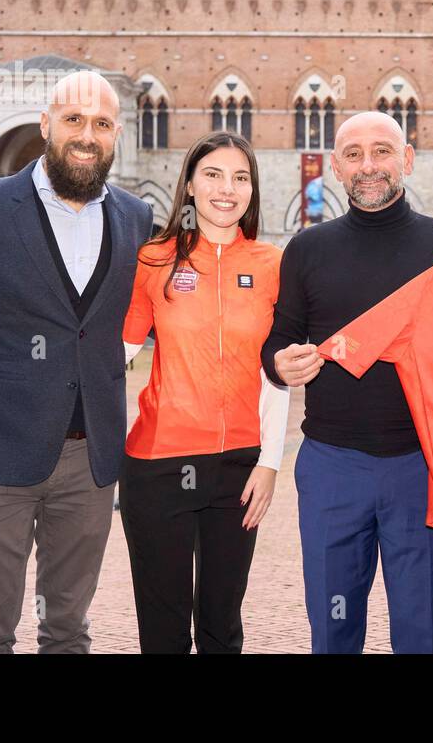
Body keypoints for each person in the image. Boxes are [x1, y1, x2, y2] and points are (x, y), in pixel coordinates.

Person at [0, 70, 153, 653]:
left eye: (101, 123)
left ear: (115, 134)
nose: (86, 135)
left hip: (89, 458)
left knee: (69, 631)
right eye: (73, 120)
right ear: (47, 125)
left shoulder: (135, 219)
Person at [263, 111, 433, 653]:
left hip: (421, 464)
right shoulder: (307, 250)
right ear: (335, 167)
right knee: (332, 629)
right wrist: (280, 364)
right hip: (334, 466)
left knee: (419, 629)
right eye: (353, 154)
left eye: (382, 151)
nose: (368, 165)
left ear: (406, 158)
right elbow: (278, 339)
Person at [120, 132, 287, 653]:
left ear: (252, 191)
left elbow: (276, 373)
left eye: (241, 178)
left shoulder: (273, 265)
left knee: (221, 626)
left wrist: (271, 462)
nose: (227, 189)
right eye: (213, 174)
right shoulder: (152, 260)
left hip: (238, 468)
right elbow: (114, 355)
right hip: (158, 465)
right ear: (189, 184)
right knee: (164, 630)